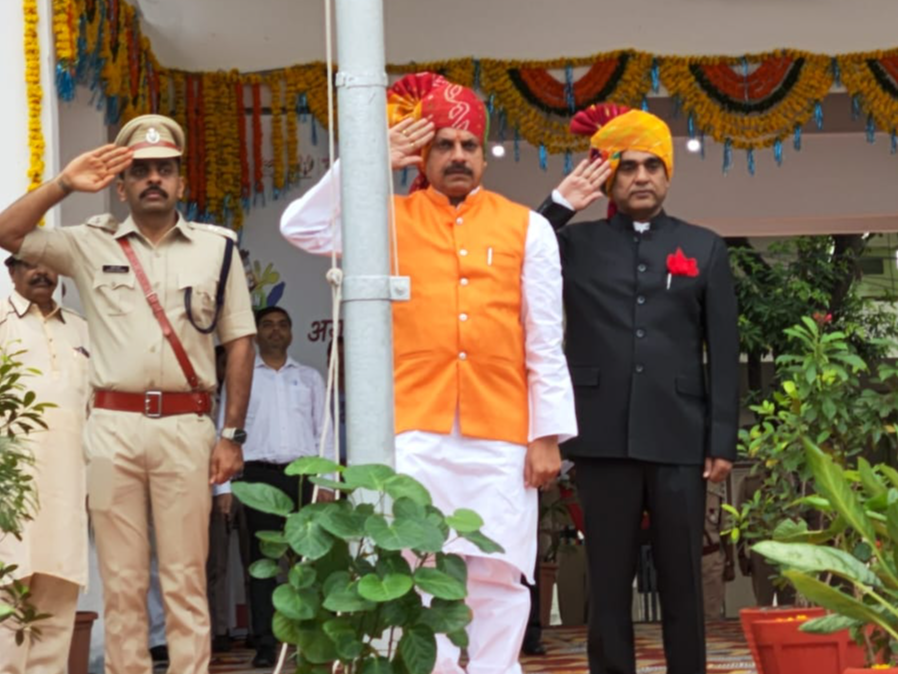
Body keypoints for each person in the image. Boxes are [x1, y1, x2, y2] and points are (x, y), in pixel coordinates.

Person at [280, 72, 577, 674]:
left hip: (502, 435)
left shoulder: (529, 227)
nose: (459, 156)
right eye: (443, 144)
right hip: (412, 428)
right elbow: (301, 229)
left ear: (485, 155)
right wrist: (366, 163)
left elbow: (546, 339)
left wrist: (547, 436)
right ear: (421, 154)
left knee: (499, 574)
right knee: (415, 568)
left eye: (470, 145)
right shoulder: (385, 216)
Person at [0, 113, 257, 674]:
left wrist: (232, 434)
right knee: (121, 582)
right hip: (112, 428)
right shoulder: (89, 245)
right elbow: (8, 233)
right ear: (122, 185)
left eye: (164, 169)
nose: (153, 180)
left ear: (181, 182)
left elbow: (240, 341)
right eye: (140, 171)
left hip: (187, 428)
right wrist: (64, 184)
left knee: (187, 579)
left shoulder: (217, 251)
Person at [536, 104, 740, 674]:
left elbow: (722, 350)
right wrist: (562, 201)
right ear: (610, 177)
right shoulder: (575, 245)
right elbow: (518, 250)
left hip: (679, 437)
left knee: (682, 582)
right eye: (627, 167)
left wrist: (721, 440)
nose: (641, 177)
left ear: (669, 175)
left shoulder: (705, 247)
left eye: (653, 165)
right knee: (607, 580)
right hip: (600, 436)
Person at [216, 305, 332, 667]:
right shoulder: (242, 377)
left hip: (303, 477)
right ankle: (267, 643)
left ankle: (309, 639)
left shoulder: (310, 377)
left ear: (291, 332)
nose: (275, 331)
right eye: (267, 325)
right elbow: (225, 431)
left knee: (308, 561)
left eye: (283, 324)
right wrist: (224, 489)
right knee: (262, 563)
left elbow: (324, 431)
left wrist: (327, 481)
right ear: (256, 333)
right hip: (257, 477)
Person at [0, 257, 90, 673]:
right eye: (29, 265)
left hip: (68, 484)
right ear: (11, 271)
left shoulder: (80, 329)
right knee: (8, 589)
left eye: (49, 265)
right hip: (10, 487)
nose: (41, 273)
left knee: (59, 584)